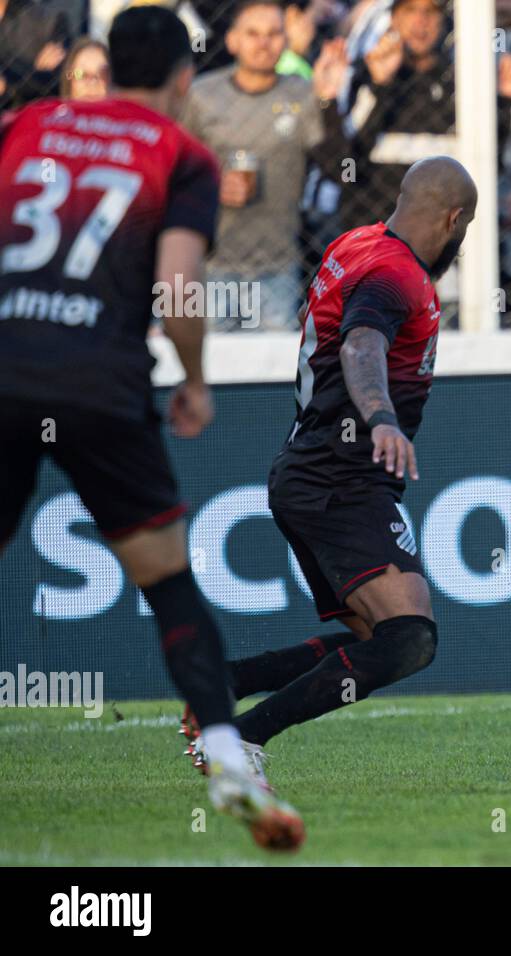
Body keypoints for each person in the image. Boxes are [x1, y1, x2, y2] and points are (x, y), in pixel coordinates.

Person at [0, 5, 303, 850]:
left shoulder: (23, 125)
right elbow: (176, 289)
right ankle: (232, 765)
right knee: (168, 584)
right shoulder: (180, 154)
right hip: (100, 383)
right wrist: (195, 378)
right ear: (179, 78)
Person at [183, 157, 476, 761]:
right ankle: (240, 737)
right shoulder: (398, 274)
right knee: (408, 641)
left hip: (311, 469)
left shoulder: (355, 243)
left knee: (376, 636)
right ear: (454, 221)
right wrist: (382, 418)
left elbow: (321, 325)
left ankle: (224, 683)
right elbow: (361, 343)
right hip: (339, 477)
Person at [181, 0, 345, 332]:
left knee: (275, 376)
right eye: (252, 33)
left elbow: (337, 166)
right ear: (232, 40)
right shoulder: (202, 96)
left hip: (278, 265)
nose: (263, 42)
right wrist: (213, 183)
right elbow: (176, 169)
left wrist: (328, 100)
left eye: (273, 33)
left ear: (285, 40)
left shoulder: (303, 94)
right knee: (213, 368)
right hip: (213, 263)